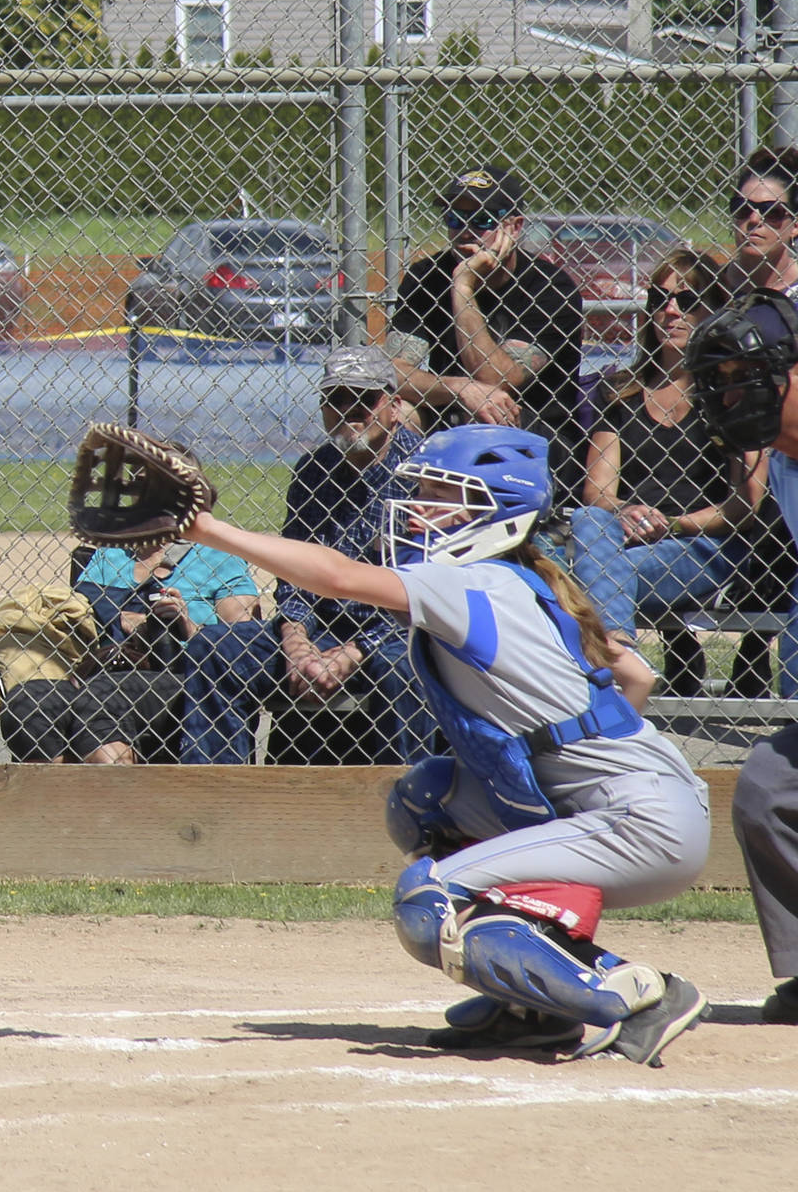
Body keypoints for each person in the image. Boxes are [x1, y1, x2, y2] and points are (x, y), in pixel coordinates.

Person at [189, 425, 711, 1065]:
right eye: (424, 490)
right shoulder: (517, 580)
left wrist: (209, 531)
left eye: (444, 493)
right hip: (637, 799)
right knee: (426, 798)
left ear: (500, 512)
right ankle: (530, 1011)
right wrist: (570, 765)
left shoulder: (471, 583)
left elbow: (341, 578)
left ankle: (640, 993)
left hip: (641, 822)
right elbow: (636, 676)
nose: (419, 507)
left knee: (427, 900)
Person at [180, 346, 436, 765]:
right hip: (323, 627)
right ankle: (217, 801)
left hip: (402, 632)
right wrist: (296, 641)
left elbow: (427, 592)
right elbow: (294, 576)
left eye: (363, 398)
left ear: (392, 405)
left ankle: (407, 807)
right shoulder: (313, 470)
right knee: (214, 648)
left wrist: (355, 652)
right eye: (336, 399)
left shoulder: (427, 469)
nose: (348, 409)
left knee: (404, 671)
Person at [684, 286, 798, 1021]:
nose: (733, 397)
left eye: (747, 378)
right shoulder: (783, 469)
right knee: (767, 787)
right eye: (720, 382)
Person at [566, 249, 762, 655]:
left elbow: (744, 505)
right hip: (626, 539)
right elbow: (597, 491)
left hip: (703, 544)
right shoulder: (620, 390)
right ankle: (622, 654)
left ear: (713, 311)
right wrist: (624, 511)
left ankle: (615, 664)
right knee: (589, 519)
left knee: (592, 577)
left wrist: (672, 524)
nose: (670, 311)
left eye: (686, 300)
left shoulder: (731, 391)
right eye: (659, 299)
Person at [387, 164, 588, 496]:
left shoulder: (551, 288)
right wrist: (459, 387)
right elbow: (392, 372)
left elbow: (497, 380)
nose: (465, 230)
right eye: (454, 218)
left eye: (482, 220)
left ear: (514, 226)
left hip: (533, 432)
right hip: (450, 416)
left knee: (484, 411)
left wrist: (463, 287)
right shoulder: (427, 275)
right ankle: (393, 523)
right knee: (394, 412)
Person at [46, 539, 259, 764]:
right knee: (32, 699)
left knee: (101, 693)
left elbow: (244, 645)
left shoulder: (220, 555)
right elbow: (78, 610)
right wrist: (119, 618)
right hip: (106, 667)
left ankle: (114, 793)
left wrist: (187, 626)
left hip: (184, 674)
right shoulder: (110, 554)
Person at [725, 146, 798, 300]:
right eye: (744, 208)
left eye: (771, 211)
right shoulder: (711, 287)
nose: (754, 219)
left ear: (795, 226)